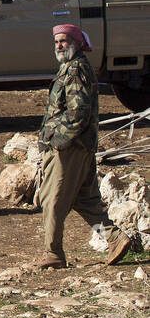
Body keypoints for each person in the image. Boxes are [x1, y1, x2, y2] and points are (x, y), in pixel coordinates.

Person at [32, 24, 132, 269]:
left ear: (75, 43)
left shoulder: (75, 70)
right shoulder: (71, 67)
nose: (59, 46)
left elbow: (79, 113)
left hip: (70, 147)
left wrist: (57, 141)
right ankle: (113, 237)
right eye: (56, 42)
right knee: (84, 200)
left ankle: (53, 252)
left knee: (52, 200)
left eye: (64, 41)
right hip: (80, 145)